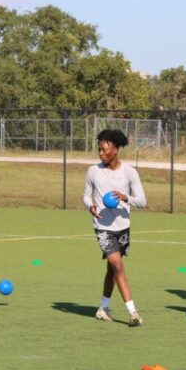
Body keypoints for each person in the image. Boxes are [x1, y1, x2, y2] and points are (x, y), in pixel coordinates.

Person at [82, 129, 147, 327]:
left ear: (116, 149)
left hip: (123, 227)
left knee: (112, 269)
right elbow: (86, 196)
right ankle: (133, 313)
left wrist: (125, 198)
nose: (101, 153)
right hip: (102, 226)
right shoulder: (93, 171)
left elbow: (142, 201)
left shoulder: (129, 172)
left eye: (105, 150)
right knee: (117, 265)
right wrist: (91, 206)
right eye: (99, 150)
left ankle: (103, 308)